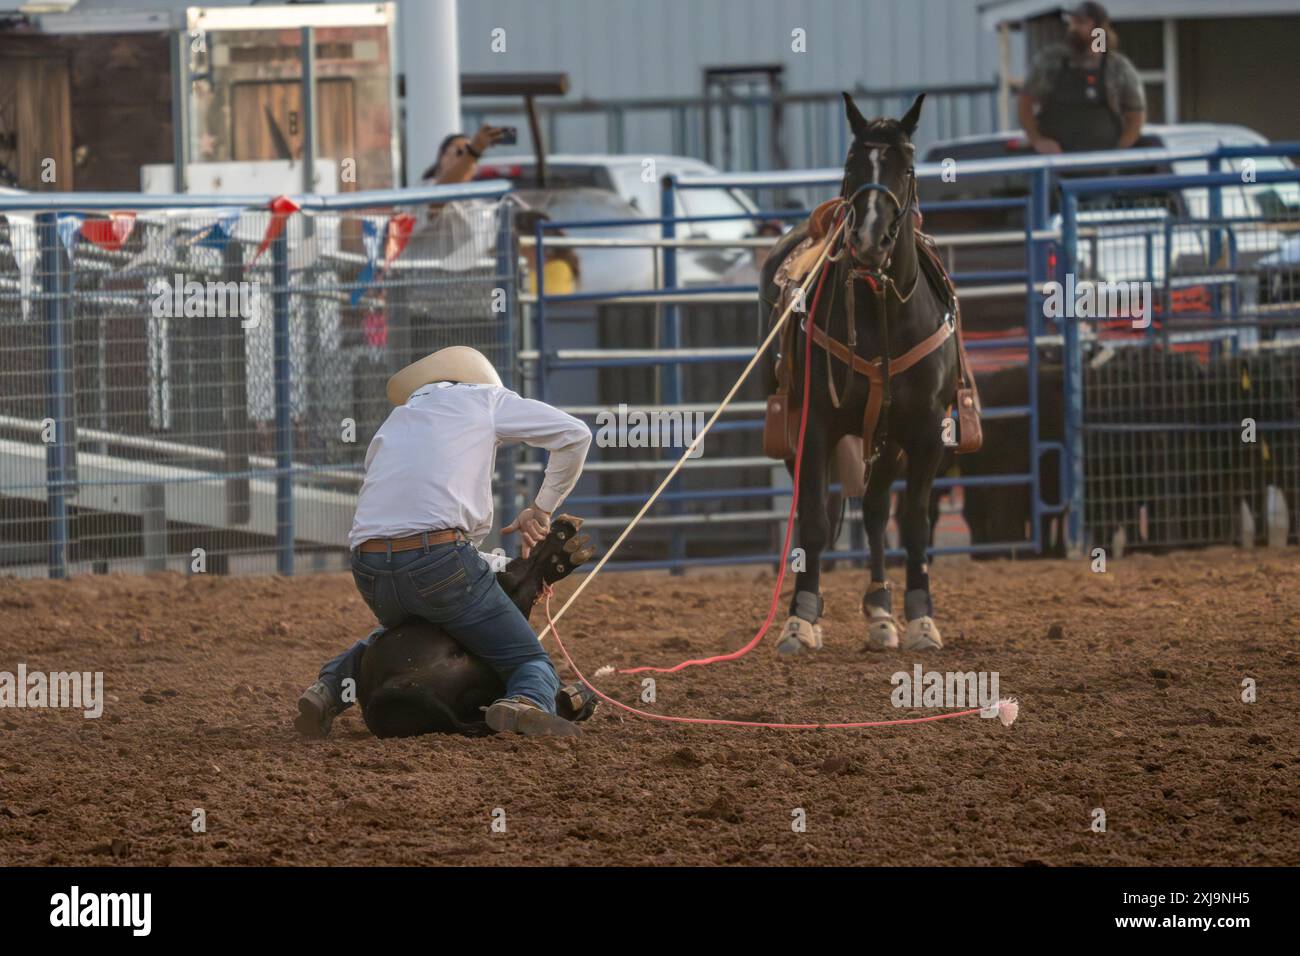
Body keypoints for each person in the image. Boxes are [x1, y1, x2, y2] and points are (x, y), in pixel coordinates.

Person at [295, 346, 593, 738]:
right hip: (439, 562)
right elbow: (576, 435)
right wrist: (541, 509)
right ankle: (525, 700)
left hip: (369, 570)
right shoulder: (485, 398)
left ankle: (330, 686)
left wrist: (502, 565)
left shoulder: (395, 421)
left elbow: (410, 522)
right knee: (528, 659)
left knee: (413, 629)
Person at [1018, 2, 1146, 154]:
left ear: (1099, 29)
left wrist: (1119, 150)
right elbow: (1024, 103)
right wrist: (1038, 141)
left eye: (1081, 23)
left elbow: (1136, 115)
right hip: (1055, 162)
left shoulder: (1117, 67)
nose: (1073, 28)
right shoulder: (1051, 61)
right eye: (1071, 22)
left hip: (1102, 165)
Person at [420, 126, 510, 185]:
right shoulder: (426, 188)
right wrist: (474, 151)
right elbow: (438, 198)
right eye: (461, 152)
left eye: (474, 159)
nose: (468, 161)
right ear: (442, 156)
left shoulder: (477, 197)